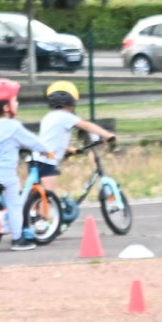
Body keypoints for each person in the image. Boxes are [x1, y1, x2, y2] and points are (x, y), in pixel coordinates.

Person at [0, 78, 52, 252]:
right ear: (6, 107)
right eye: (15, 100)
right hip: (6, 175)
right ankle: (18, 239)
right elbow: (32, 141)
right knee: (15, 205)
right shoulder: (13, 126)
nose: (17, 103)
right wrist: (46, 150)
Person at [39, 79, 116, 223]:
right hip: (47, 161)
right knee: (47, 196)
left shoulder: (48, 117)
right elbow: (86, 126)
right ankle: (41, 225)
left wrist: (68, 149)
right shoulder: (66, 116)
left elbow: (50, 139)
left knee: (41, 194)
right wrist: (106, 135)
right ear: (71, 101)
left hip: (39, 157)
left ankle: (43, 220)